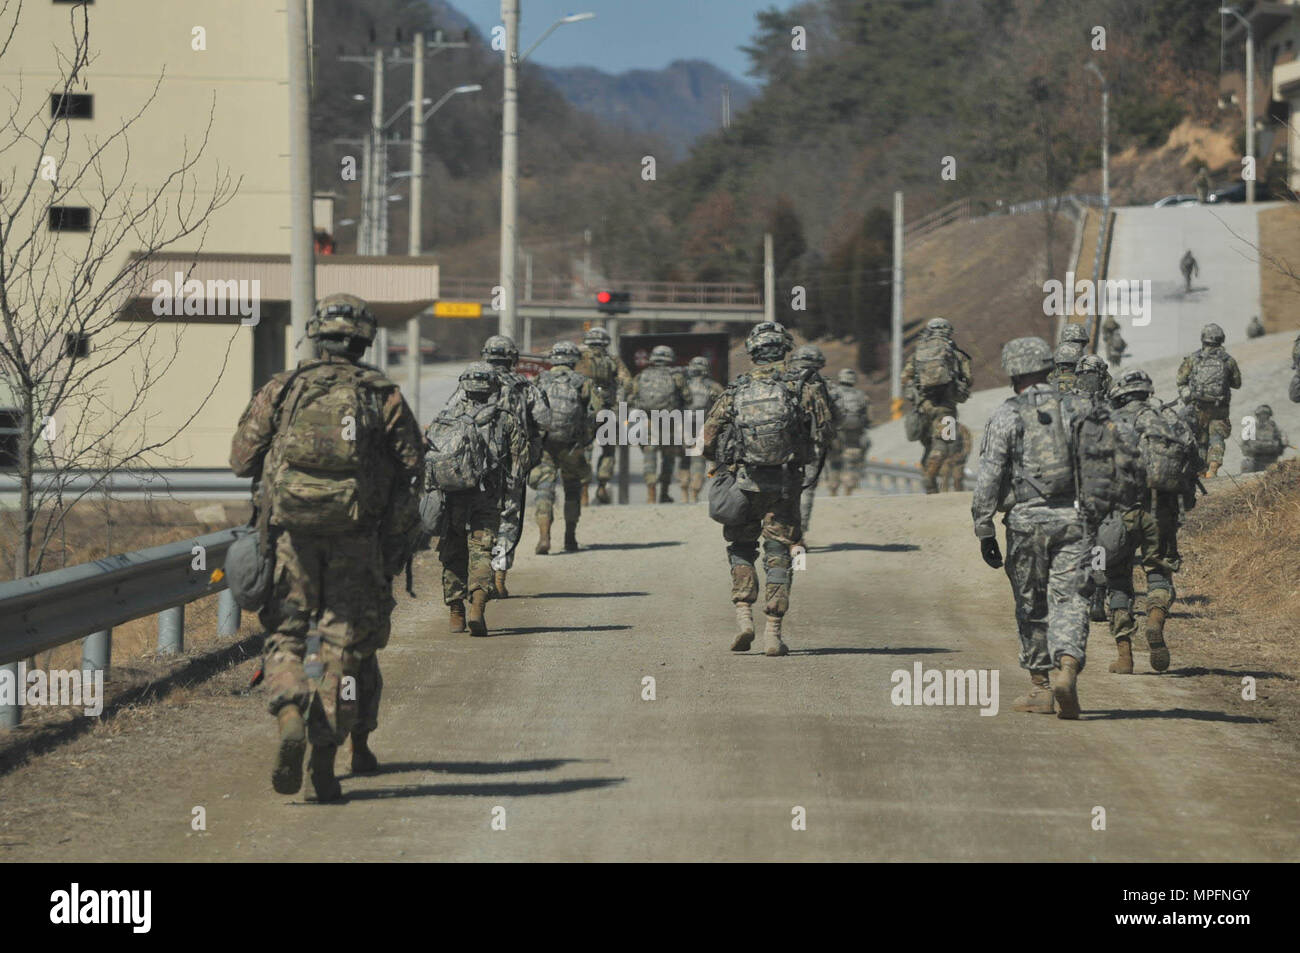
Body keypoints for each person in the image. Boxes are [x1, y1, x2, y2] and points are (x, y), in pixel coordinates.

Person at [230, 293, 423, 801]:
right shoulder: (382, 394)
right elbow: (412, 470)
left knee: (287, 634)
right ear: (364, 340)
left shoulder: (285, 387)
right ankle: (323, 761)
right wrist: (395, 543)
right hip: (357, 540)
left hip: (289, 536)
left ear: (317, 334)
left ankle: (290, 709)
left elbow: (241, 459)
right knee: (342, 647)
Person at [970, 337, 1135, 719]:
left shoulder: (1007, 414)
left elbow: (990, 476)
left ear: (1014, 374)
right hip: (1076, 520)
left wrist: (984, 529)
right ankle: (1068, 666)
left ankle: (1040, 687)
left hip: (1026, 521)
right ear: (1048, 367)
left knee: (1031, 602)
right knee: (1072, 597)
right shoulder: (1082, 407)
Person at [701, 321, 834, 656]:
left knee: (741, 547)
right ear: (784, 349)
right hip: (785, 483)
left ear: (753, 352)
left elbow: (707, 437)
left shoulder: (736, 389)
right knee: (778, 552)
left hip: (743, 483)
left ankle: (744, 616)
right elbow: (826, 429)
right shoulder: (803, 384)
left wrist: (719, 464)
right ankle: (773, 632)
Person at [427, 362, 527, 639]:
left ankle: (456, 611)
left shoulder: (445, 416)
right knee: (482, 550)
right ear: (493, 387)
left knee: (452, 551)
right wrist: (511, 495)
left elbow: (430, 460)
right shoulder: (505, 418)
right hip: (487, 496)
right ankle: (478, 608)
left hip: (451, 496)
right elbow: (519, 464)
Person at [1105, 370, 1183, 674]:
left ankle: (1124, 656)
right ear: (1147, 392)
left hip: (1119, 512)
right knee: (1160, 571)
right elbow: (1190, 466)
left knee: (1117, 578)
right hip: (1159, 510)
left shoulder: (1108, 423)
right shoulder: (1168, 419)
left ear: (1122, 394)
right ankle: (1154, 619)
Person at [477, 334, 548, 596]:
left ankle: (477, 579)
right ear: (512, 358)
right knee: (507, 518)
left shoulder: (471, 381)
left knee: (477, 517)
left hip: (476, 464)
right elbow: (545, 419)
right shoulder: (523, 385)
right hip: (512, 463)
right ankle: (499, 577)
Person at [530, 341, 597, 552]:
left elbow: (530, 411)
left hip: (545, 445)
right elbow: (596, 414)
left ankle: (544, 537)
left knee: (544, 490)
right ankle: (570, 538)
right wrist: (586, 440)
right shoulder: (583, 382)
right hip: (572, 446)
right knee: (572, 491)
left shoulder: (540, 380)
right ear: (573, 359)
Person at [902, 317, 973, 494]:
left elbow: (905, 377)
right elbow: (968, 378)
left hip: (923, 406)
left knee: (928, 444)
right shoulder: (955, 353)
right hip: (946, 407)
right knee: (943, 443)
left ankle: (929, 484)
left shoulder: (918, 352)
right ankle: (930, 477)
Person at [575, 326, 633, 504]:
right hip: (608, 411)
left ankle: (584, 489)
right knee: (608, 450)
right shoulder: (613, 361)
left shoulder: (580, 360)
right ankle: (602, 485)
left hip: (587, 412)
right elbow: (628, 382)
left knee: (585, 449)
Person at [1176, 322, 1241, 478]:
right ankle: (1212, 469)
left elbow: (1180, 380)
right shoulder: (1228, 360)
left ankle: (1200, 470)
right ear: (1221, 339)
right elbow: (1237, 383)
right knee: (1217, 436)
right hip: (1220, 407)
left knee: (1200, 438)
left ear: (1203, 339)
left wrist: (1188, 396)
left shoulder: (1193, 359)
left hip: (1198, 406)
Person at [786, 345, 840, 533]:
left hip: (783, 446)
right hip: (812, 446)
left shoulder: (781, 383)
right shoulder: (827, 387)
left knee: (782, 491)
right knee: (806, 489)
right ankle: (799, 535)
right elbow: (837, 416)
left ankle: (781, 534)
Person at [629, 344, 691, 503]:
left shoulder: (642, 375)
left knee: (649, 457)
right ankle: (664, 492)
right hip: (668, 422)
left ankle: (651, 492)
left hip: (648, 422)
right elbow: (688, 398)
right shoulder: (676, 376)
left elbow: (632, 398)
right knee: (668, 458)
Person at [679, 355, 724, 503]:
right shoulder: (713, 386)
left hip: (683, 425)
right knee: (699, 459)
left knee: (684, 460)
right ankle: (695, 493)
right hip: (703, 425)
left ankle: (684, 493)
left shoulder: (683, 385)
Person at [827, 367, 870, 497]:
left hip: (835, 433)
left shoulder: (832, 393)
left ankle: (833, 489)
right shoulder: (861, 395)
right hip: (854, 433)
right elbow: (869, 417)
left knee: (835, 462)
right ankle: (848, 491)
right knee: (851, 463)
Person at [1241, 404, 1287, 473]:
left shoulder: (1275, 428)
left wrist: (1278, 446)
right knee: (1246, 464)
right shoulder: (1251, 428)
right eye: (1261, 414)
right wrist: (1249, 451)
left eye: (1265, 414)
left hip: (1271, 459)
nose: (1263, 416)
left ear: (1269, 415)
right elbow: (1243, 443)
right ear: (1257, 415)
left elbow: (1284, 441)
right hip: (1255, 459)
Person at [938, 422, 970, 491]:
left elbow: (967, 443)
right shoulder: (941, 428)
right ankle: (943, 498)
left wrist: (962, 456)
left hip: (958, 459)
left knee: (957, 479)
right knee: (944, 480)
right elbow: (937, 443)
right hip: (945, 460)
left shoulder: (961, 428)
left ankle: (959, 497)